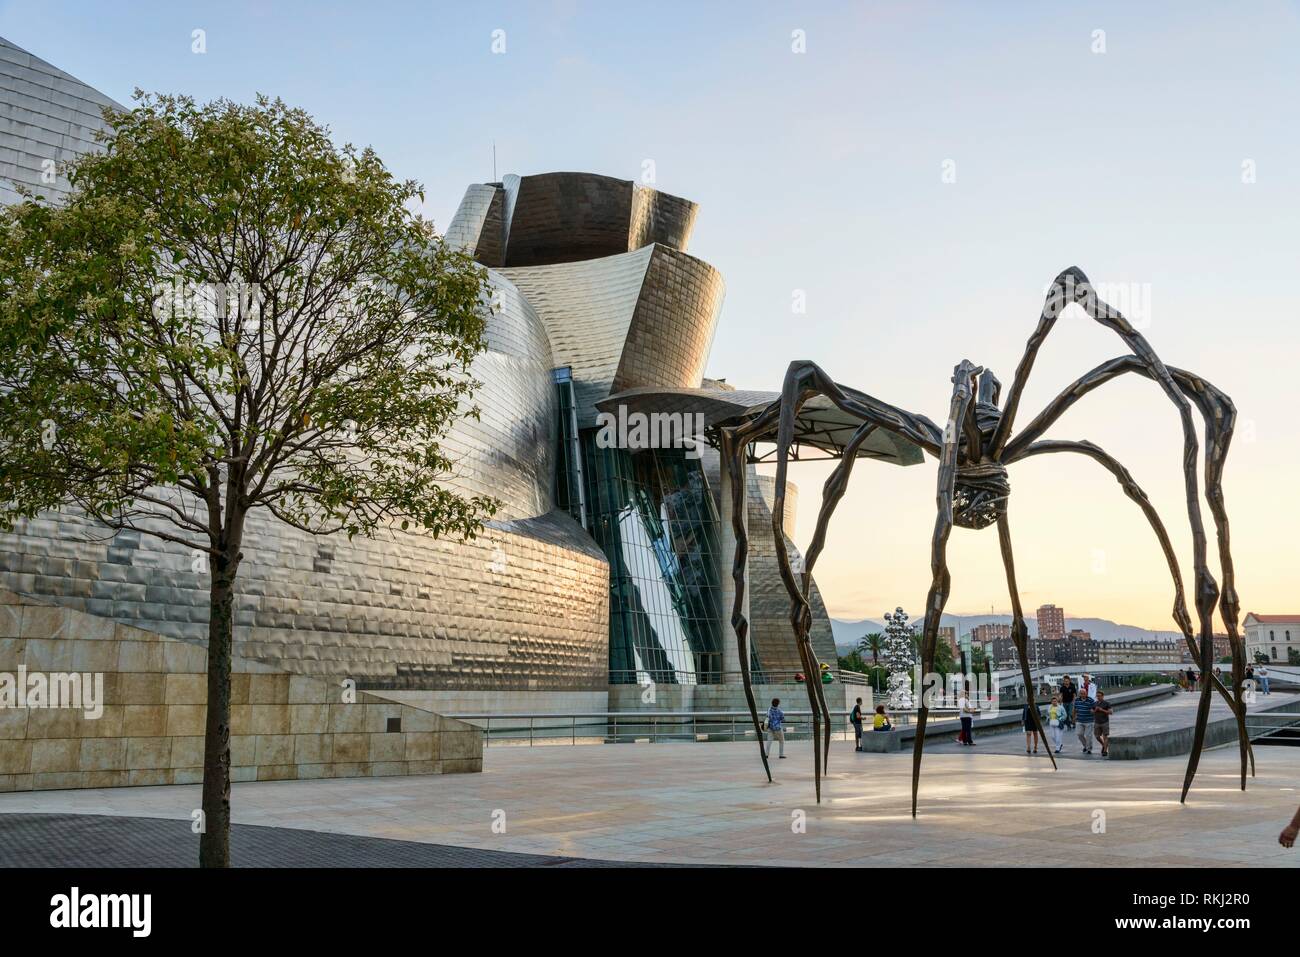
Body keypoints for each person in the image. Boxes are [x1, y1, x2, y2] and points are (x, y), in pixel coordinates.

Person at [1074, 687, 1096, 754]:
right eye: (1081, 693)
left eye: (1084, 693)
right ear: (1079, 694)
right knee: (1079, 734)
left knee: (1088, 735)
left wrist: (1093, 711)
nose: (1083, 694)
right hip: (1079, 720)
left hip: (1089, 720)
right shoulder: (1077, 700)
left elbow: (1095, 709)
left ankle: (1089, 749)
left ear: (1086, 693)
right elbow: (1075, 709)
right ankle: (1086, 746)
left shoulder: (1091, 700)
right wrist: (1073, 717)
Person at [1093, 690, 1114, 757]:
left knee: (1105, 736)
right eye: (1097, 696)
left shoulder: (1107, 703)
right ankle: (1103, 745)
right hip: (1097, 722)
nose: (1098, 697)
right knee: (1097, 736)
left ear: (1103, 696)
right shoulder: (1095, 703)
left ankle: (1105, 751)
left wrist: (1102, 710)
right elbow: (1091, 711)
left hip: (1105, 722)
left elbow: (1111, 712)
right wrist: (1095, 710)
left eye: (1099, 696)